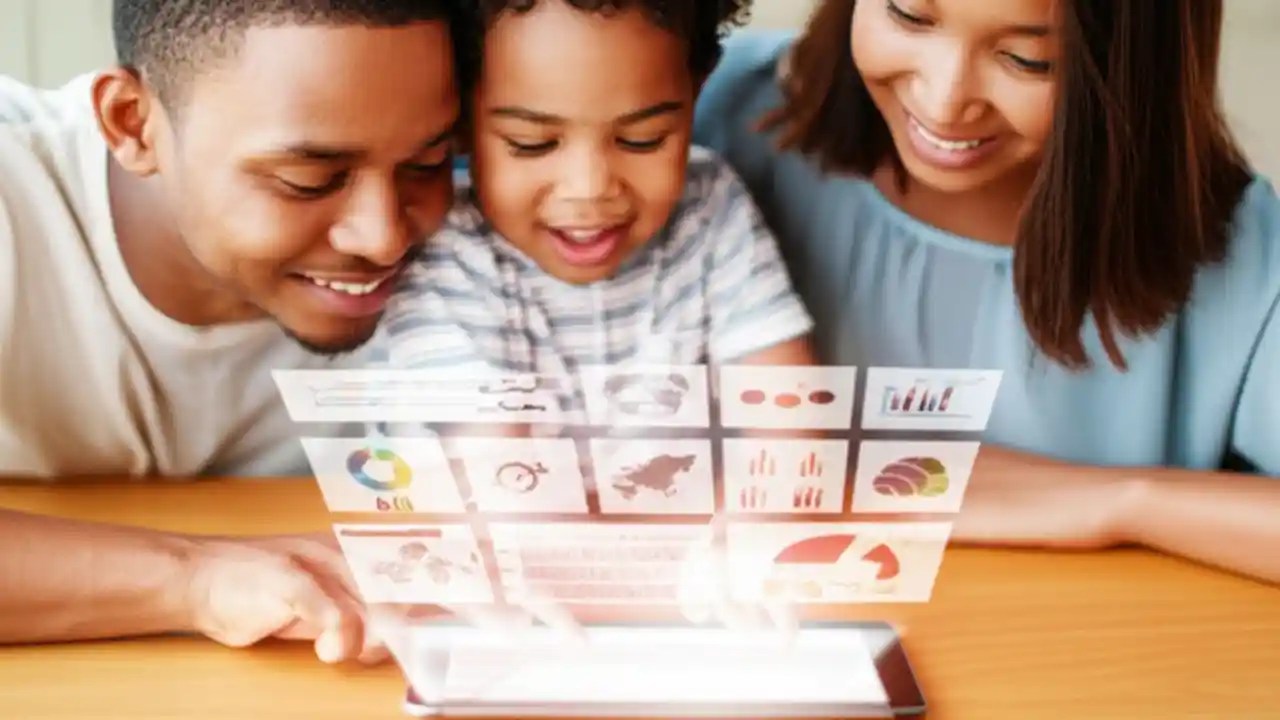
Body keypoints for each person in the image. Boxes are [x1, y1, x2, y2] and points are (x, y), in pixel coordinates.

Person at [692, 0, 1280, 583]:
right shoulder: (684, 115)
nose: (944, 101)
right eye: (909, 17)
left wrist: (1120, 502)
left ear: (1132, 66)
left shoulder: (1238, 250)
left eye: (1028, 60)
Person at [0, 0, 469, 662]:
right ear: (133, 124)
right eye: (308, 180)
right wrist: (193, 578)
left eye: (429, 162)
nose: (384, 236)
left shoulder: (500, 221)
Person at [373, 0, 815, 379]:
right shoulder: (444, 248)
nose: (589, 189)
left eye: (642, 139)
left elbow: (785, 410)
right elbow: (489, 463)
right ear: (459, 119)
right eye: (532, 143)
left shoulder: (710, 207)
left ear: (696, 87)